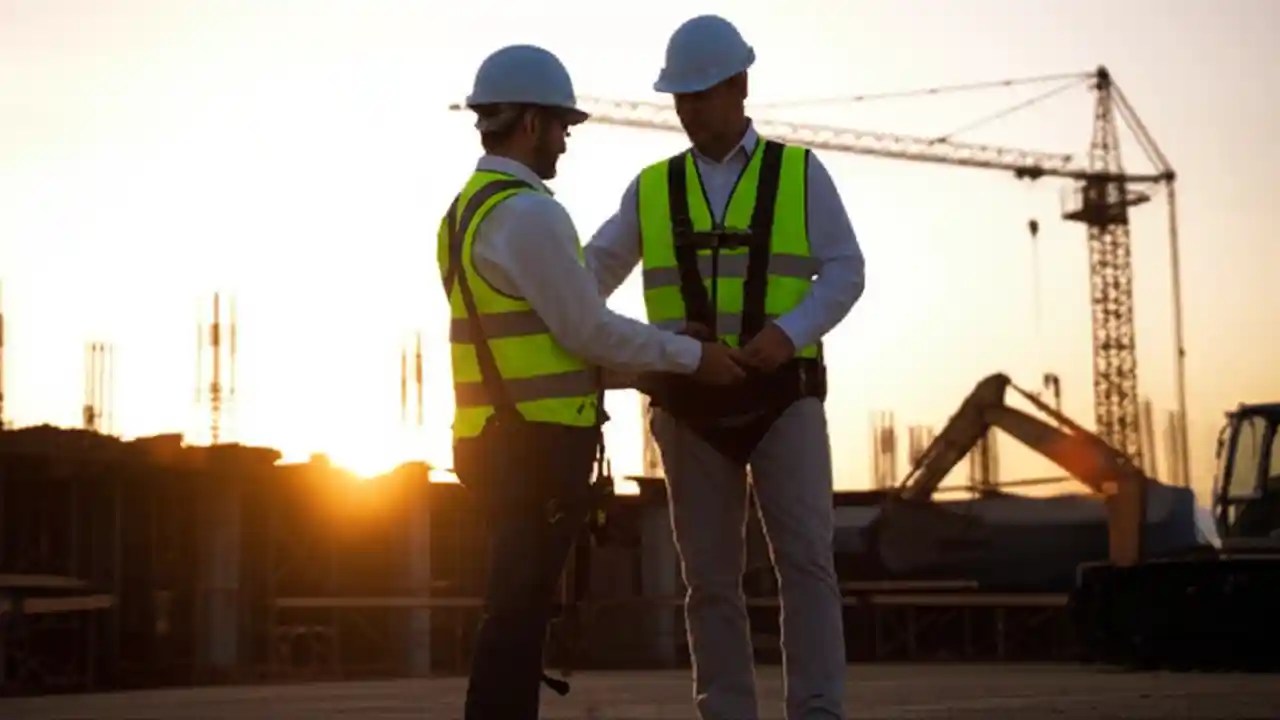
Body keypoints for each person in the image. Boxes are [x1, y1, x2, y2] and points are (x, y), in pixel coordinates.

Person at [439, 43, 749, 720]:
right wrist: (690, 357)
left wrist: (656, 361)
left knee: (516, 610)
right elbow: (588, 330)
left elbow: (545, 342)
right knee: (517, 616)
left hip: (492, 439)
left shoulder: (466, 214)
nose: (564, 143)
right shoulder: (531, 214)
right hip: (535, 446)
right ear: (531, 123)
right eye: (561, 127)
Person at [584, 15, 866, 720]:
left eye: (700, 95)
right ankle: (726, 710)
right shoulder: (652, 188)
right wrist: (646, 343)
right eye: (680, 98)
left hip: (785, 397)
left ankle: (818, 710)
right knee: (708, 580)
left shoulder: (800, 173)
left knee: (806, 565)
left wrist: (788, 334)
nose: (688, 110)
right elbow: (588, 279)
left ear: (740, 85)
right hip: (689, 406)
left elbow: (846, 269)